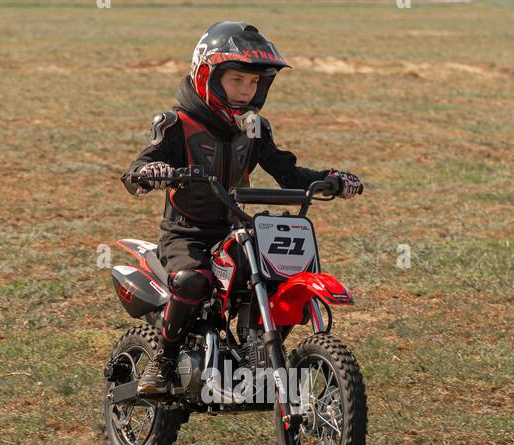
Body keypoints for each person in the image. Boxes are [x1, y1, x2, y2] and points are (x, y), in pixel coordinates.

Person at [122, 21, 364, 396]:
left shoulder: (255, 130)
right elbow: (136, 169)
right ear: (207, 75)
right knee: (193, 281)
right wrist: (149, 173)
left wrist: (331, 178)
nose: (246, 91)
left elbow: (289, 173)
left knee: (277, 274)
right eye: (237, 80)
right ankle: (163, 361)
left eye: (254, 83)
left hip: (237, 231)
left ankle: (257, 352)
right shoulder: (175, 124)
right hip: (186, 234)